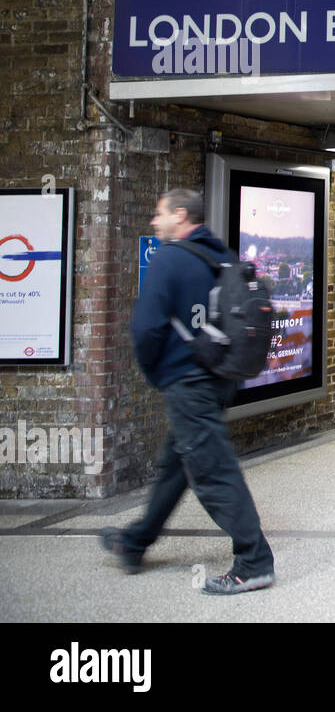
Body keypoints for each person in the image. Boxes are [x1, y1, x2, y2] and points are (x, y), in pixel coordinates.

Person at [100, 189, 275, 594]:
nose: (154, 221)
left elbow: (146, 328)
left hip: (187, 381)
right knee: (178, 462)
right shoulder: (223, 257)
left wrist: (158, 372)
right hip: (220, 379)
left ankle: (254, 562)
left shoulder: (170, 259)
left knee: (212, 469)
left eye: (158, 214)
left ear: (180, 215)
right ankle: (136, 541)